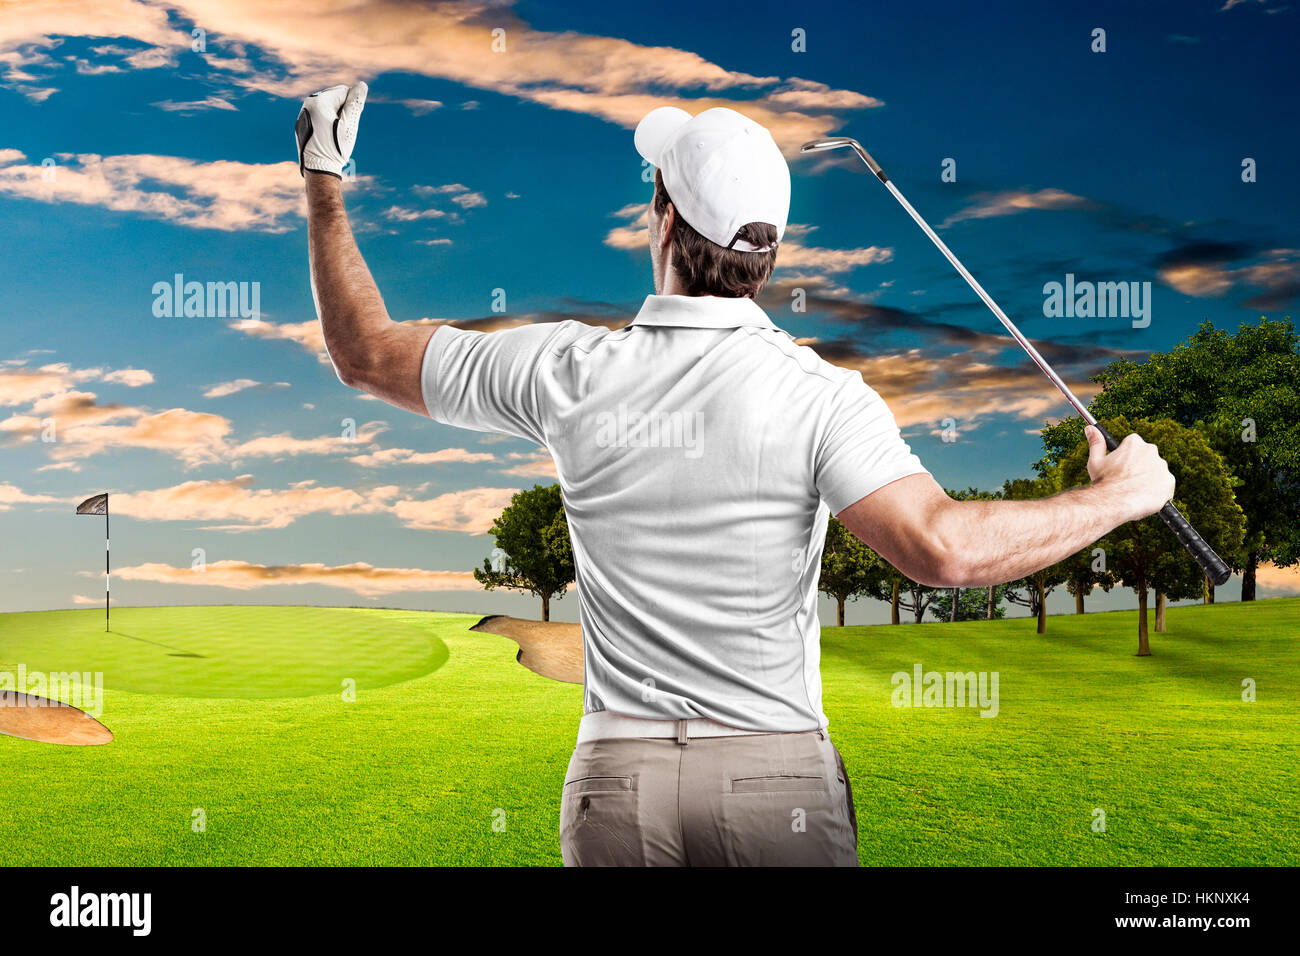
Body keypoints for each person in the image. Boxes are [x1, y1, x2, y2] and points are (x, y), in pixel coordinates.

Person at [296, 84, 1175, 866]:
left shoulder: (563, 369)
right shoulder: (823, 397)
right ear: (768, 253)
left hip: (619, 785)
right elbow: (940, 548)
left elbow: (363, 353)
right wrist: (1119, 497)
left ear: (665, 220)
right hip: (774, 781)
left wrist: (323, 183)